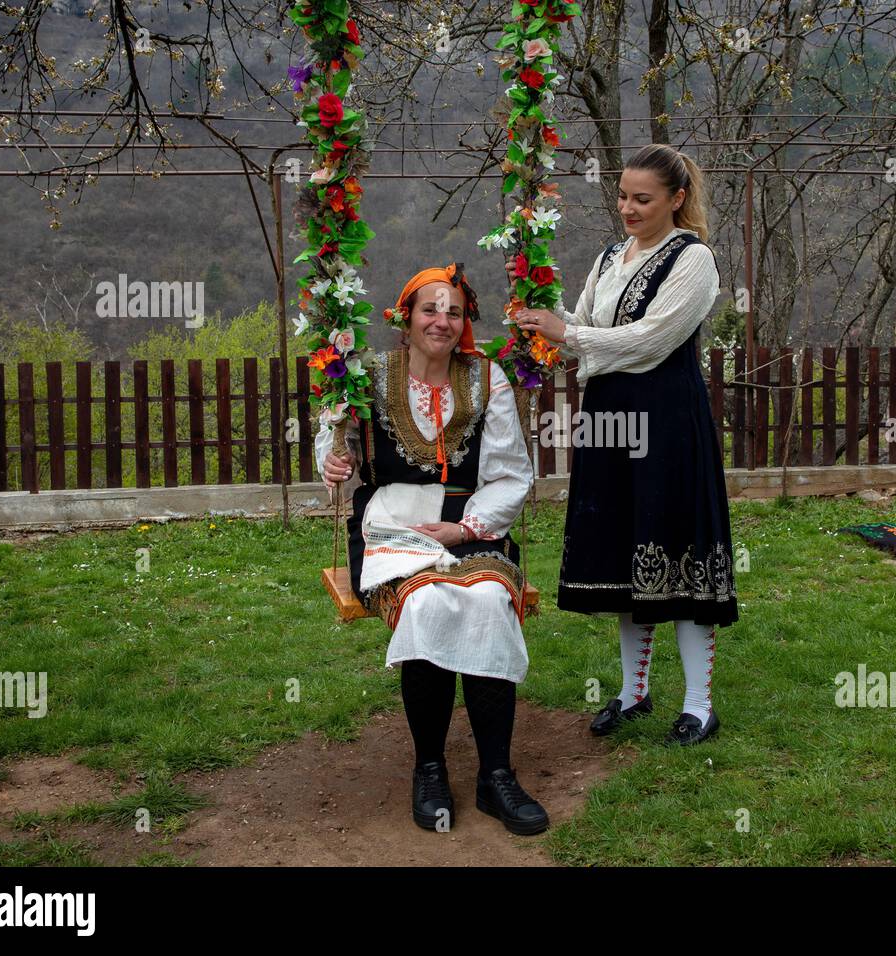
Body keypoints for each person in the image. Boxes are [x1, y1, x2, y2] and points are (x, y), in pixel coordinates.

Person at [512, 143, 738, 746]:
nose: (628, 209)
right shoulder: (612, 257)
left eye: (643, 198)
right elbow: (581, 330)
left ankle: (699, 705)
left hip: (666, 422)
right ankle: (633, 691)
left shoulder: (695, 260)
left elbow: (650, 340)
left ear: (677, 199)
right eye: (622, 196)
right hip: (609, 419)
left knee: (679, 556)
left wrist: (572, 333)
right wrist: (542, 313)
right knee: (628, 556)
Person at [316, 262, 550, 835]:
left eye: (453, 311)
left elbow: (513, 476)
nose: (441, 321)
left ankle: (496, 775)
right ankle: (430, 767)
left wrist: (466, 528)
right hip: (391, 522)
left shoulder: (485, 378)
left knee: (489, 602)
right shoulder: (366, 376)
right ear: (406, 318)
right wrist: (333, 458)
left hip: (469, 523)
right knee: (425, 605)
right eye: (429, 309)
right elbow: (331, 436)